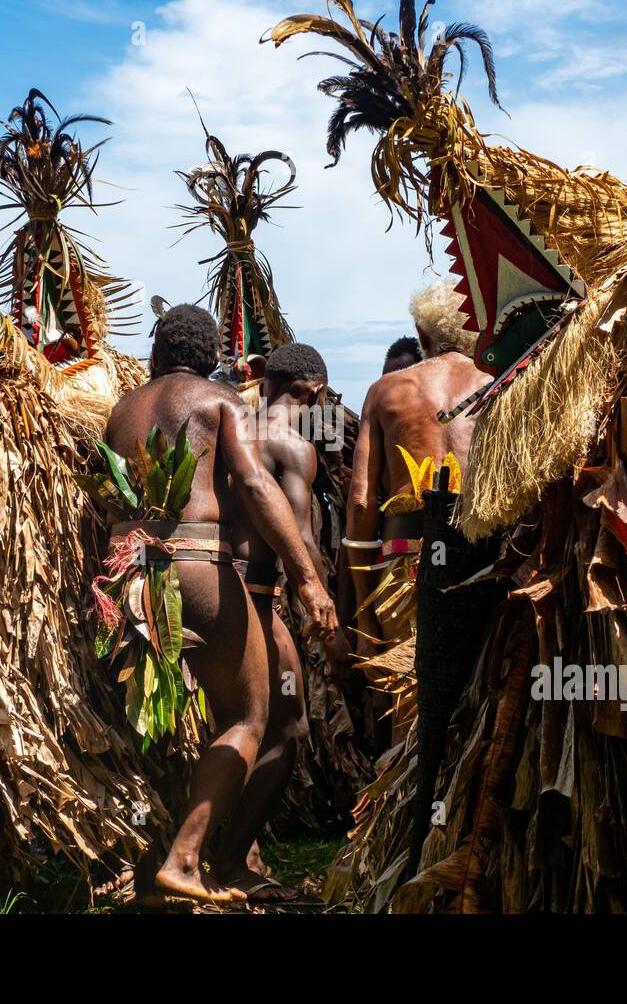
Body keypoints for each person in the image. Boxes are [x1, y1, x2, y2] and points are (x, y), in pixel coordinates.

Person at [104, 305, 336, 904]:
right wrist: (308, 580)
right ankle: (184, 862)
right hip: (195, 563)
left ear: (155, 355)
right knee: (252, 716)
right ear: (213, 359)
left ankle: (166, 864)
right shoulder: (219, 403)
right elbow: (256, 486)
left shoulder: (122, 409)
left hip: (128, 573)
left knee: (159, 726)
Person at [212, 341, 348, 899]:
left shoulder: (231, 432)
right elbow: (302, 540)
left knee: (231, 722)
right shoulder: (292, 446)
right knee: (285, 726)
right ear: (313, 391)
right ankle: (227, 863)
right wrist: (327, 609)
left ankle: (227, 853)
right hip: (256, 600)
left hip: (205, 592)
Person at [345, 281, 491, 653]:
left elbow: (361, 503)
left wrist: (364, 612)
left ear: (422, 334)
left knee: (409, 695)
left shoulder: (384, 390)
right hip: (483, 564)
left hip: (406, 566)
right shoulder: (497, 381)